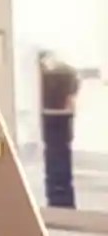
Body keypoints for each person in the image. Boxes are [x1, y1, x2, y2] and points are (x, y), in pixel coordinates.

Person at [39, 50, 81, 208]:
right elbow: (72, 96)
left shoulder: (46, 75)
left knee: (54, 160)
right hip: (64, 117)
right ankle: (64, 201)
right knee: (62, 157)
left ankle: (57, 200)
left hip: (50, 117)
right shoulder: (67, 72)